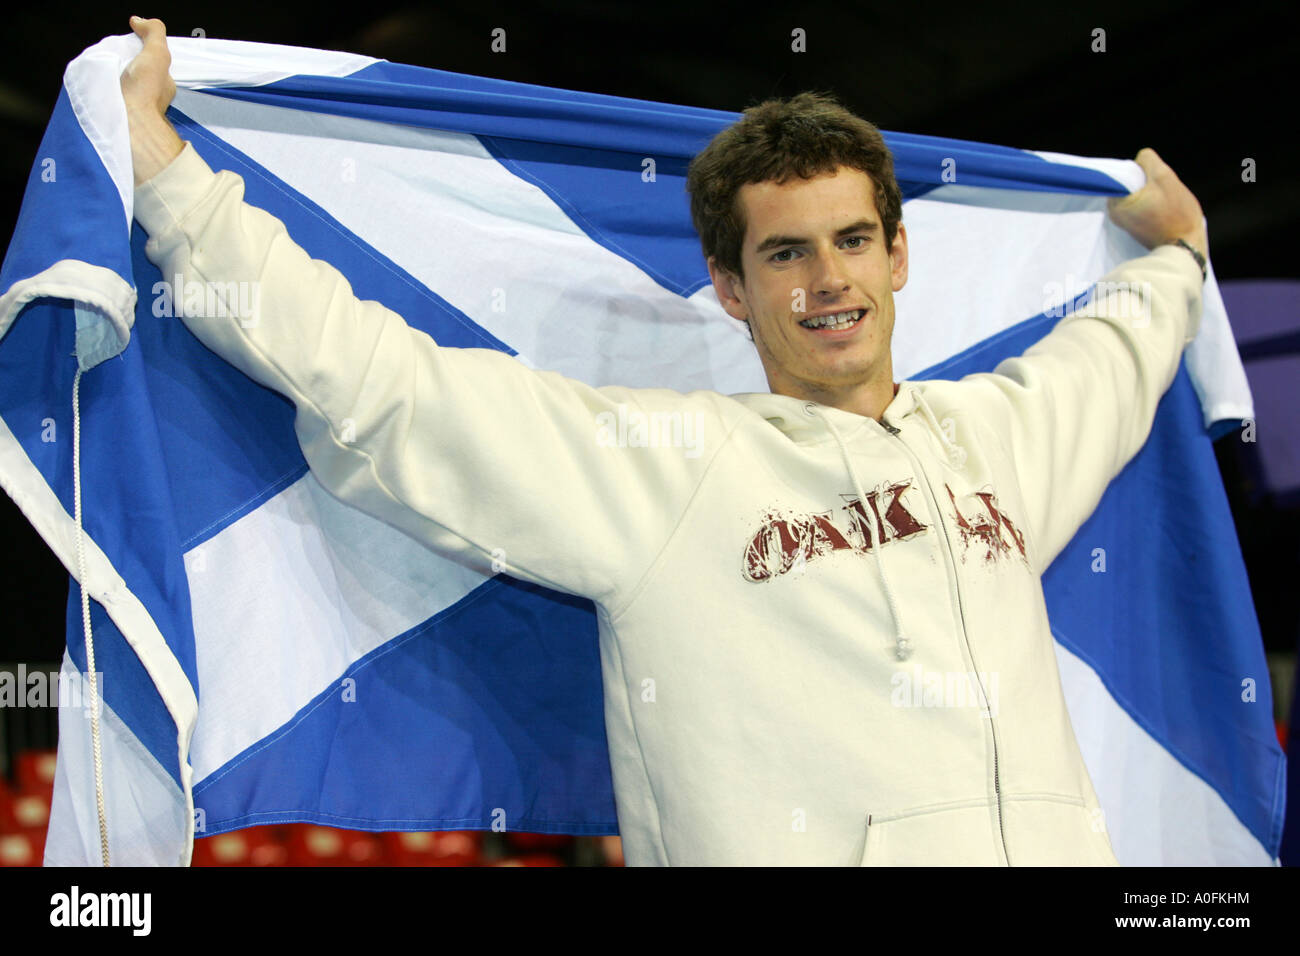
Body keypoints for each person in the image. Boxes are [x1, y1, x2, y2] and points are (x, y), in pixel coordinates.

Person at [120, 16, 1209, 865]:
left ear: (898, 255)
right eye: (785, 254)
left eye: (852, 239)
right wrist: (171, 182)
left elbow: (1113, 354)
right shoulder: (667, 468)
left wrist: (1176, 257)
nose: (828, 279)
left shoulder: (1002, 441)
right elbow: (388, 384)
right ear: (730, 290)